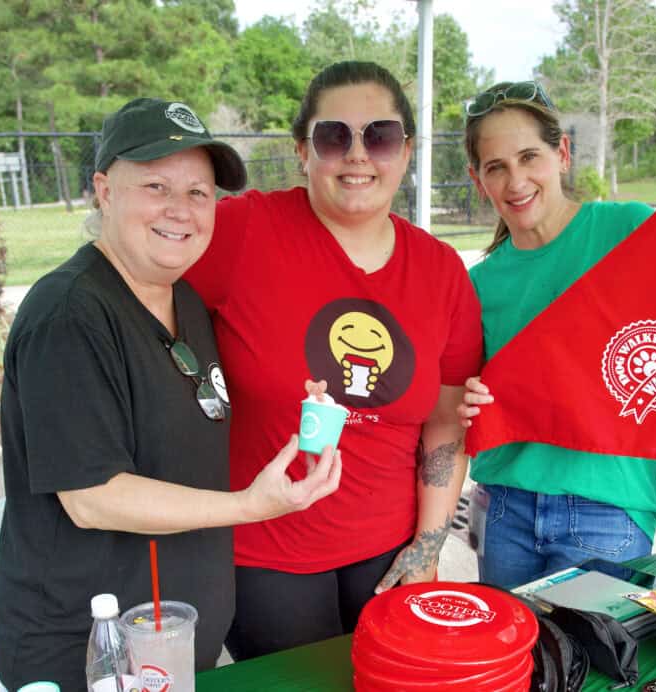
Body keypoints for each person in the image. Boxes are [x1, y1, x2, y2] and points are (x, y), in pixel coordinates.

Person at [0, 97, 341, 691]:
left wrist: (308, 409)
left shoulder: (186, 303)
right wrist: (250, 505)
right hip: (87, 654)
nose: (181, 210)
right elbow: (92, 497)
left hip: (166, 646)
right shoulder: (70, 314)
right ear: (104, 190)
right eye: (156, 185)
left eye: (199, 192)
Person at [183, 61, 484, 660]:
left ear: (406, 149)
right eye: (333, 137)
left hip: (392, 549)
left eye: (380, 136)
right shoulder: (243, 231)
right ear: (302, 150)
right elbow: (137, 291)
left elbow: (446, 421)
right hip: (264, 552)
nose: (357, 155)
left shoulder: (440, 270)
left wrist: (428, 544)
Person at [457, 80, 656, 587]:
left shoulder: (629, 230)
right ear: (478, 179)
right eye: (496, 167)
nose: (516, 181)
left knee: (593, 664)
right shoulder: (479, 284)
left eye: (529, 157)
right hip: (504, 506)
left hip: (606, 508)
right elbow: (457, 407)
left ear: (562, 154)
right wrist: (467, 401)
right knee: (513, 664)